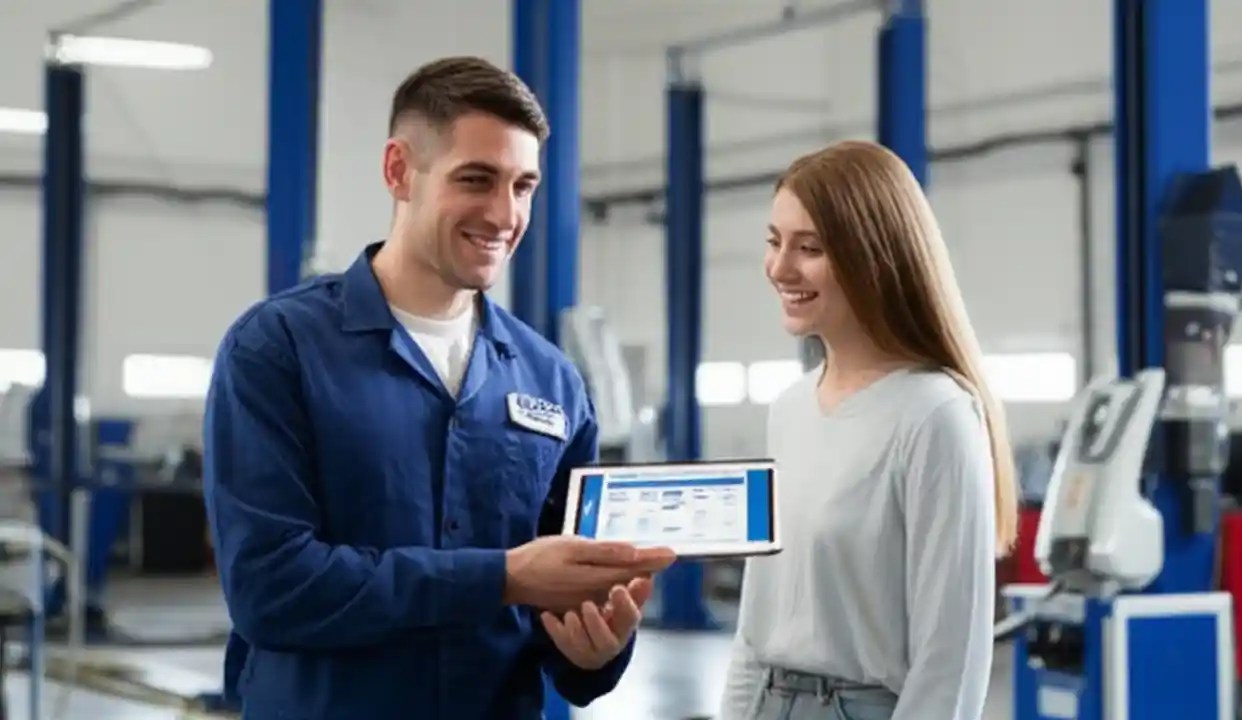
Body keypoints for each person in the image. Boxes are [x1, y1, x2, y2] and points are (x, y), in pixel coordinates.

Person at [202, 56, 674, 719]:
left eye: (524, 186)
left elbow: (562, 618)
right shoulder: (278, 349)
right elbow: (270, 588)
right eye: (476, 180)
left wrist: (594, 651)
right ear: (399, 170)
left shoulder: (552, 381)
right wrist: (502, 578)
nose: (504, 214)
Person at [719, 140, 1019, 720]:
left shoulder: (935, 414)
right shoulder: (788, 410)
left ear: (873, 257)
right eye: (774, 241)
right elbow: (754, 629)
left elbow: (949, 664)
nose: (781, 268)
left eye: (810, 248)